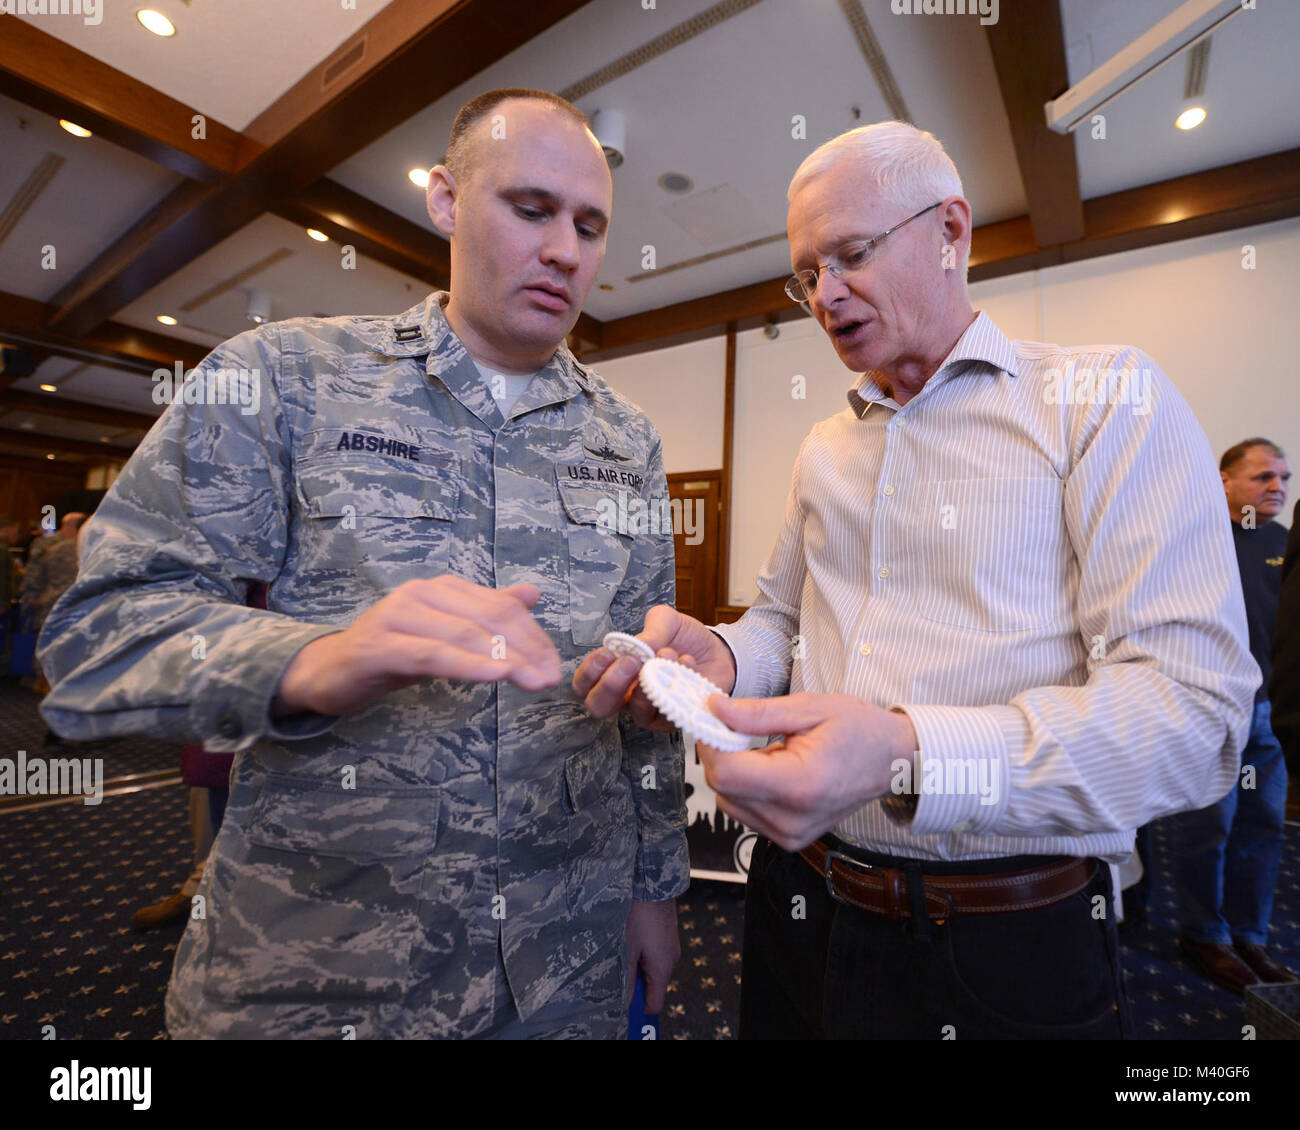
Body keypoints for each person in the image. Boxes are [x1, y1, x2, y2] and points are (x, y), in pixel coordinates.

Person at [577, 120, 1258, 1039]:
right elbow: (782, 621)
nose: (824, 295)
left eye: (850, 254)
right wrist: (723, 657)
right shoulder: (826, 448)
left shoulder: (1103, 404)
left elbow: (1193, 715)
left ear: (952, 231)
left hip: (1006, 938)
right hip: (797, 900)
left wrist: (909, 754)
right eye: (805, 273)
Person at [39, 88, 686, 1040]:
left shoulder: (628, 440)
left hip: (561, 967)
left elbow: (644, 699)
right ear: (446, 200)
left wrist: (654, 887)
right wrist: (308, 664)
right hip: (329, 971)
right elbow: (95, 636)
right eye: (531, 209)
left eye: (590, 226)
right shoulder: (283, 378)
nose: (566, 250)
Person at [1163, 439, 1294, 991]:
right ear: (1223, 481)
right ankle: (1204, 936)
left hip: (1269, 713)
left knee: (1262, 826)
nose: (1277, 488)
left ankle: (1251, 936)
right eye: (1263, 477)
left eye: (1284, 479)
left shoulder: (1283, 543)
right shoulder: (1192, 538)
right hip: (1209, 708)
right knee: (1206, 828)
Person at [19, 511, 85, 697]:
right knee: (45, 638)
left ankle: (49, 680)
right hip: (50, 598)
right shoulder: (48, 542)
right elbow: (34, 569)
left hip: (64, 599)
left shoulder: (81, 543)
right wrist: (31, 593)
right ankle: (41, 679)